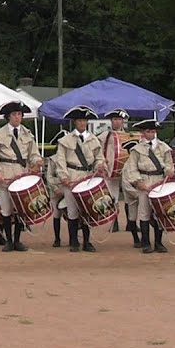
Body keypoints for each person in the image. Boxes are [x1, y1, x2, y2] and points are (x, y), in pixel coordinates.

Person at [0, 101, 43, 252]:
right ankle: (8, 241)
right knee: (6, 210)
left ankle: (17, 240)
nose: (17, 117)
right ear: (8, 117)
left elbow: (34, 153)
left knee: (20, 209)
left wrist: (37, 162)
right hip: (5, 175)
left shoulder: (27, 134)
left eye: (19, 114)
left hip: (22, 175)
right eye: (14, 114)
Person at [55, 106, 107, 252]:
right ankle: (73, 242)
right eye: (80, 120)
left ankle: (87, 241)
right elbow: (61, 161)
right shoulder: (65, 140)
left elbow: (99, 158)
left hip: (87, 177)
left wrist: (99, 166)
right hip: (72, 175)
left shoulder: (94, 139)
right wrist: (63, 176)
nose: (82, 123)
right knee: (72, 211)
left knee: (87, 210)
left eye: (84, 120)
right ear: (75, 122)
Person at [122, 118, 175, 253]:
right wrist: (138, 182)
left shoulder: (164, 147)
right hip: (144, 181)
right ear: (143, 133)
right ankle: (145, 242)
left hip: (159, 181)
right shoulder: (136, 149)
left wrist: (170, 171)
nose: (151, 134)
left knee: (160, 212)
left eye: (153, 131)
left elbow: (169, 163)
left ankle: (159, 242)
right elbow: (132, 168)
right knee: (144, 213)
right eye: (148, 131)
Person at [100, 109, 137, 239]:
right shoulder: (105, 135)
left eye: (119, 119)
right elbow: (98, 149)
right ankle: (114, 222)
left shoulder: (128, 135)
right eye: (115, 119)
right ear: (111, 121)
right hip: (110, 169)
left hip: (125, 169)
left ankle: (130, 223)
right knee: (112, 196)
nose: (117, 122)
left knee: (129, 194)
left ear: (123, 121)